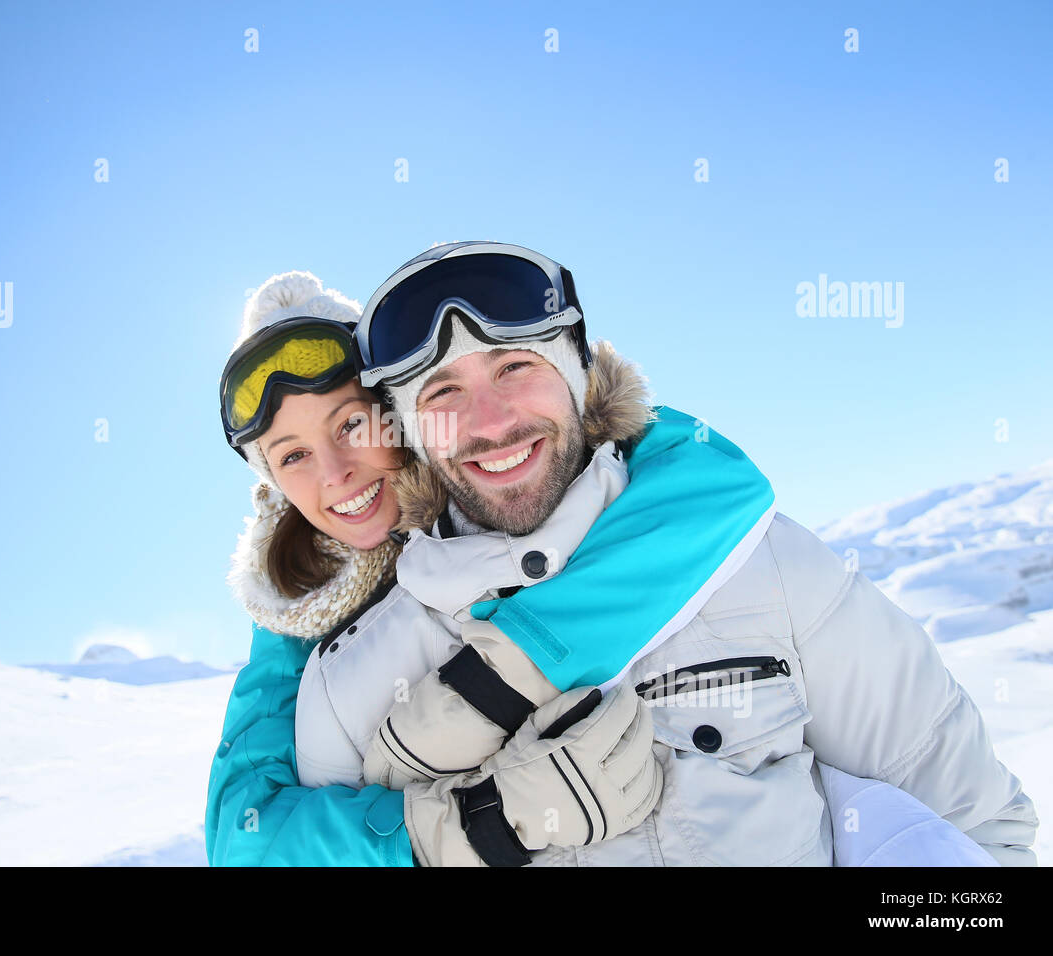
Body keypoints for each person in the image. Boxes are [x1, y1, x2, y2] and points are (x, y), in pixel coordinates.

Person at [292, 241, 1040, 866]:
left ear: (579, 379)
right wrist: (483, 822)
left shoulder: (762, 567)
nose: (491, 422)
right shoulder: (352, 686)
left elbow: (983, 838)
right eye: (442, 394)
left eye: (516, 367)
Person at [206, 269, 780, 865]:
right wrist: (475, 825)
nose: (334, 473)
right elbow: (244, 842)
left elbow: (708, 478)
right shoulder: (295, 616)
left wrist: (511, 671)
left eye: (353, 424)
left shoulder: (518, 485)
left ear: (403, 410)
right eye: (293, 456)